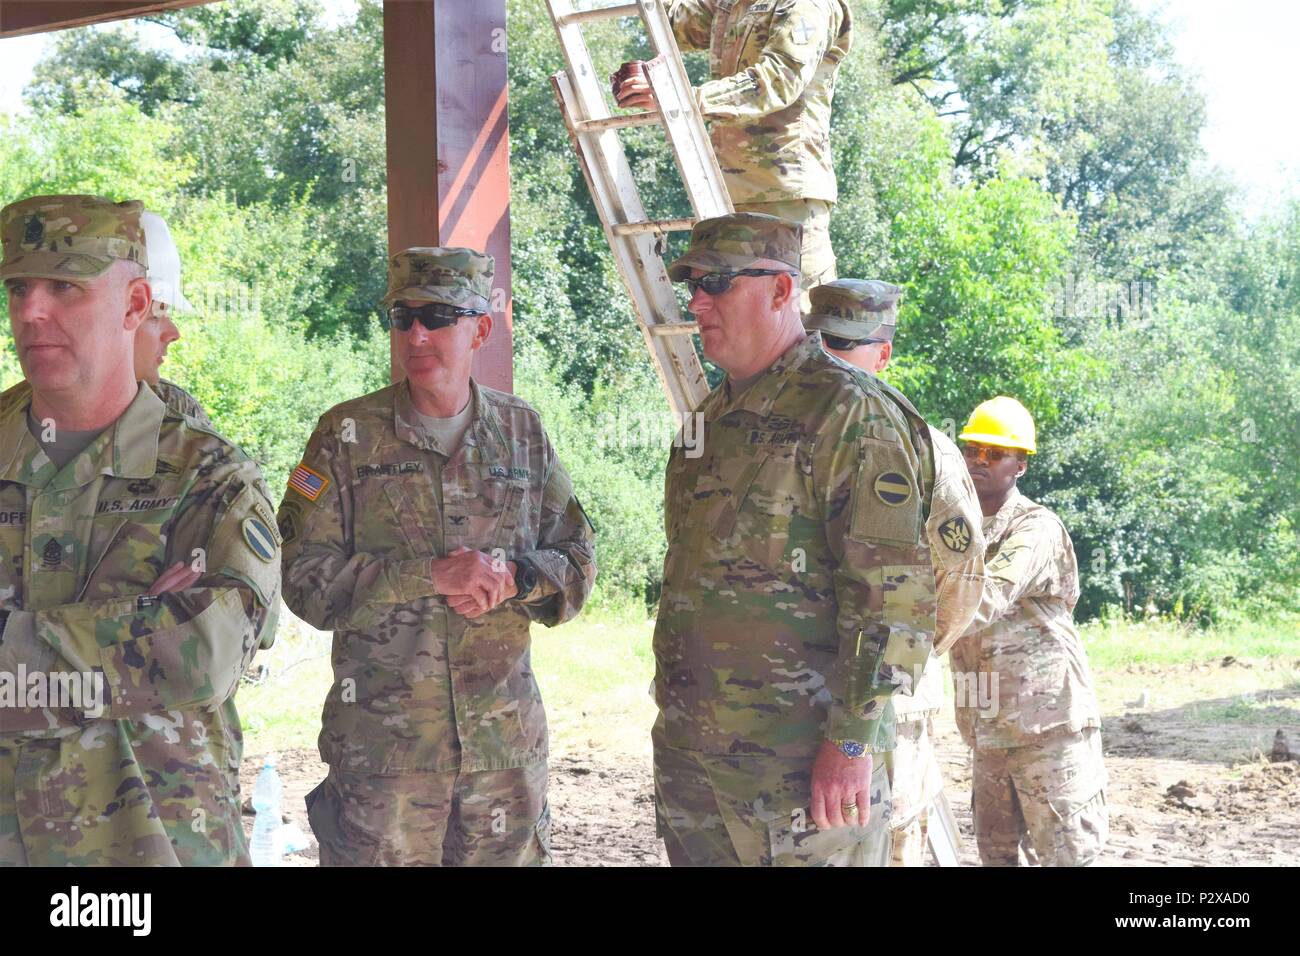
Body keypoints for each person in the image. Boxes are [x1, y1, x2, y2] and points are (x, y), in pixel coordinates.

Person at [279, 246, 596, 866]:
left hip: (502, 758)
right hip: (386, 761)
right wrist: (424, 576)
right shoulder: (345, 435)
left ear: (481, 327)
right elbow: (300, 577)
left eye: (439, 315)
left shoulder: (522, 431)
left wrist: (517, 579)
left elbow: (578, 557)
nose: (417, 334)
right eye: (402, 317)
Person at [0, 194, 280, 865]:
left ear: (133, 307)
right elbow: (166, 651)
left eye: (64, 286)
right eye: (18, 287)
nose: (31, 312)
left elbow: (207, 654)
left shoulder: (209, 478)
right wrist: (136, 622)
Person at [652, 213, 935, 866]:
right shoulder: (711, 421)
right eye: (693, 283)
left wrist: (853, 743)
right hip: (700, 769)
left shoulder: (851, 413)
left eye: (717, 282)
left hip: (804, 779)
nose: (697, 300)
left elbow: (897, 603)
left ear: (782, 291)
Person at [805, 278, 986, 866]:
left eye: (845, 344)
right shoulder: (777, 436)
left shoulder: (920, 446)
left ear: (882, 354)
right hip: (788, 703)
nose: (828, 356)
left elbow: (958, 581)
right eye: (820, 341)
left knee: (887, 845)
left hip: (886, 708)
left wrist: (905, 656)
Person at [950, 396, 1108, 866]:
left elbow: (985, 597)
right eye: (973, 449)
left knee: (1066, 857)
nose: (980, 460)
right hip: (987, 731)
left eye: (995, 453)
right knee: (996, 857)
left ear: (1019, 464)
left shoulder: (1036, 528)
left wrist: (902, 625)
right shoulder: (955, 527)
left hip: (1048, 730)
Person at [615, 0, 853, 306]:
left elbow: (778, 80)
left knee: (798, 324)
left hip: (784, 198)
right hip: (723, 196)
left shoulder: (808, 5)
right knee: (734, 329)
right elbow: (674, 24)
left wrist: (684, 98)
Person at [1, 209, 211, 426]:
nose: (173, 333)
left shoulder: (179, 412)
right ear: (132, 307)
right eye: (157, 314)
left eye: (62, 286)